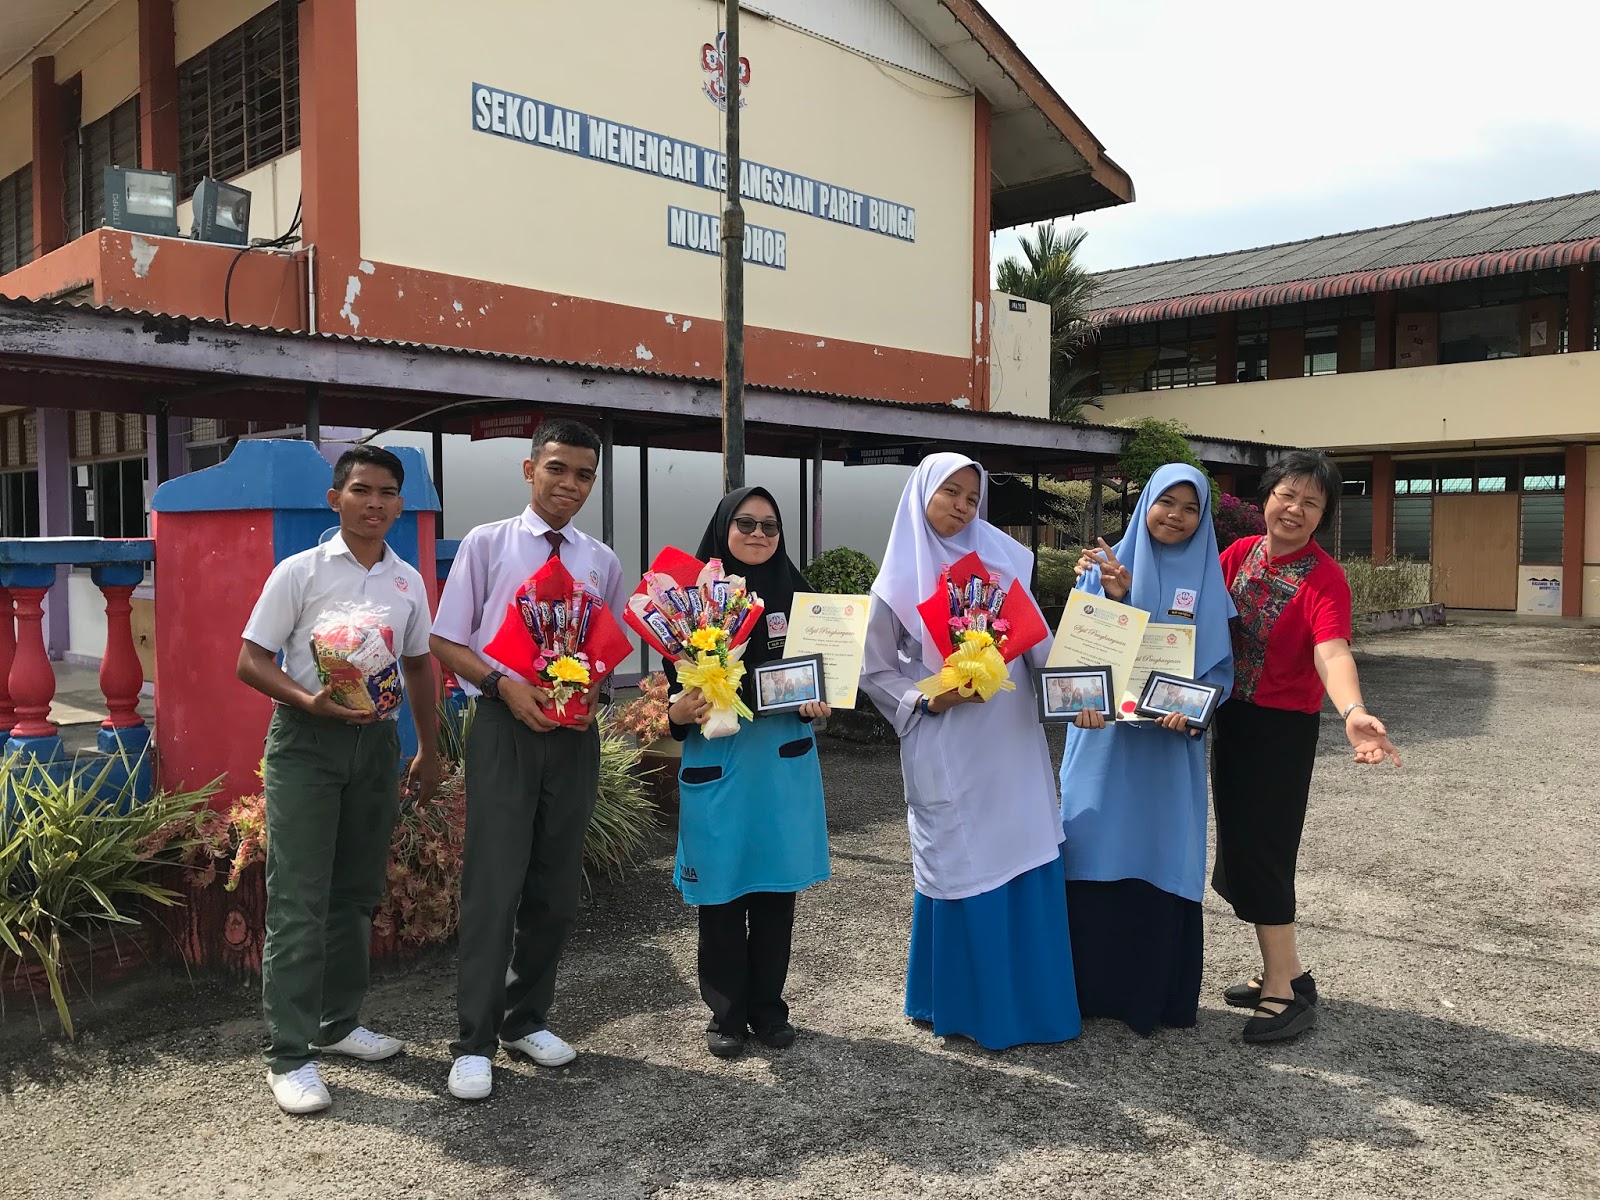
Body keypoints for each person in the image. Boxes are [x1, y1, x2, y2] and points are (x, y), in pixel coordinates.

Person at [1097, 451, 1401, 1043]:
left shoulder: (1324, 577)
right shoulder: (1238, 555)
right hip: (1227, 716)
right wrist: (1124, 589)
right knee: (1239, 848)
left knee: (1264, 850)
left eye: (1310, 503)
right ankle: (1282, 972)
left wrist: (1354, 710)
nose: (1295, 509)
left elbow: (1332, 648)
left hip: (1280, 729)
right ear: (1267, 500)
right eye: (1287, 495)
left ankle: (1286, 993)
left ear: (1323, 518)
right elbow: (1183, 622)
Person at [236, 446, 440, 1115]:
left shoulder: (407, 582)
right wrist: (307, 699)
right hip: (307, 742)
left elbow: (418, 668)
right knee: (299, 898)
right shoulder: (299, 573)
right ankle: (288, 1053)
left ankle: (337, 1023)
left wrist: (428, 749)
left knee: (354, 893)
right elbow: (250, 661)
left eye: (387, 493)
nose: (375, 503)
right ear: (335, 500)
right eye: (361, 490)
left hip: (376, 745)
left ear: (399, 504)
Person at [430, 418, 629, 1100]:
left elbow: (604, 649)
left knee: (555, 883)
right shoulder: (488, 545)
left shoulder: (601, 560)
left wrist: (590, 689)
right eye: (556, 470)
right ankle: (473, 1042)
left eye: (582, 475)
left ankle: (526, 1019)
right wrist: (502, 685)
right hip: (503, 726)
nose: (568, 485)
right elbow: (447, 641)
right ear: (528, 470)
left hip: (574, 737)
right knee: (494, 885)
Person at [860, 453, 1080, 1050]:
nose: (961, 505)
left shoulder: (1003, 563)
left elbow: (1040, 645)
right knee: (962, 858)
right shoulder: (899, 579)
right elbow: (875, 670)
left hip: (1008, 737)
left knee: (1022, 846)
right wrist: (928, 700)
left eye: (971, 497)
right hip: (947, 738)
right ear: (921, 495)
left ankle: (1032, 1004)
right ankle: (964, 1005)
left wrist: (1081, 690)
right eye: (949, 493)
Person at [1061, 464, 1234, 1036]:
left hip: (1168, 750)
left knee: (1160, 850)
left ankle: (1150, 997)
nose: (1176, 516)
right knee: (1093, 841)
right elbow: (1081, 651)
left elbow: (1220, 672)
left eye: (1190, 508)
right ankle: (1084, 990)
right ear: (1145, 506)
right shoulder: (1102, 569)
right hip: (1104, 742)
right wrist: (1117, 594)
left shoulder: (1210, 584)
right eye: (1166, 502)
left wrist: (1198, 709)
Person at [665, 487, 831, 1058]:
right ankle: (726, 1014)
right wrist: (677, 711)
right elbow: (671, 696)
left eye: (770, 526)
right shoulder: (688, 605)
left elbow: (826, 675)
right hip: (717, 758)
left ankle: (768, 1008)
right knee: (719, 890)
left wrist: (820, 700)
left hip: (781, 760)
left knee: (775, 890)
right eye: (745, 524)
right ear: (722, 529)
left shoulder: (805, 599)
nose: (759, 535)